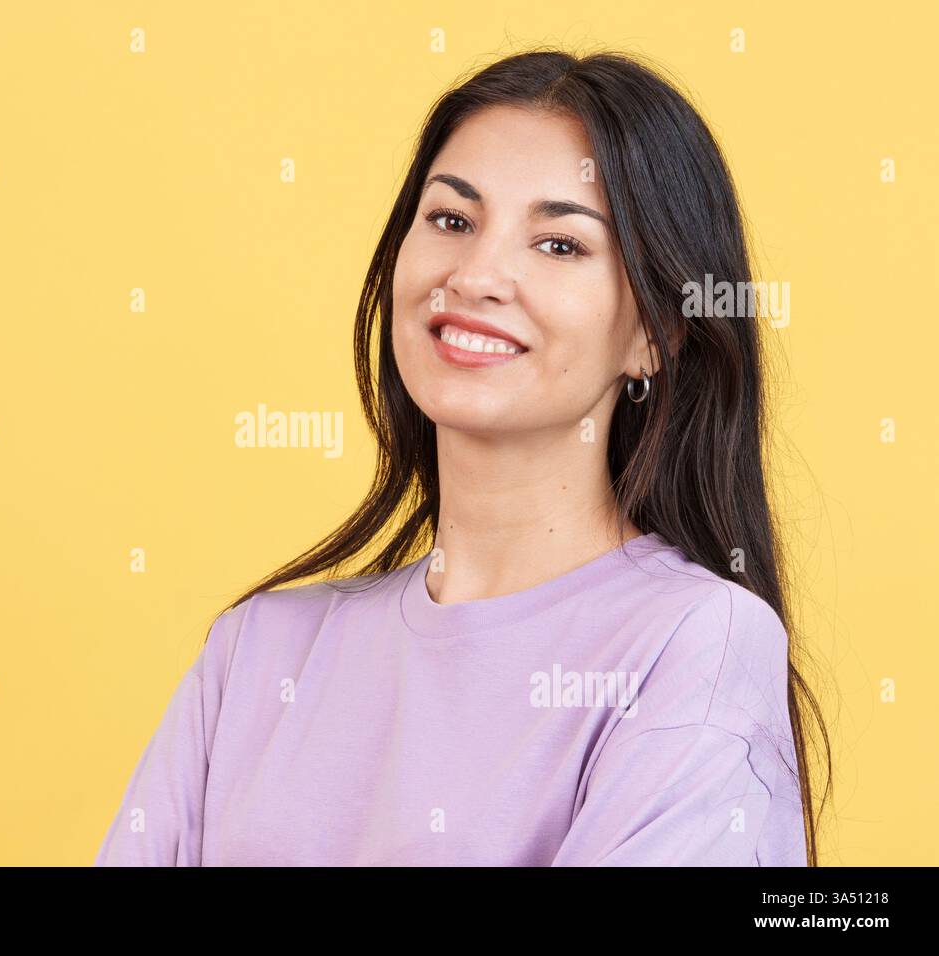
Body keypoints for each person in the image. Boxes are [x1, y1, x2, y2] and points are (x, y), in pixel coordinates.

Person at [95, 48, 829, 866]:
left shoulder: (693, 642)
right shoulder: (254, 654)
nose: (477, 275)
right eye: (451, 220)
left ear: (656, 333)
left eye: (558, 245)